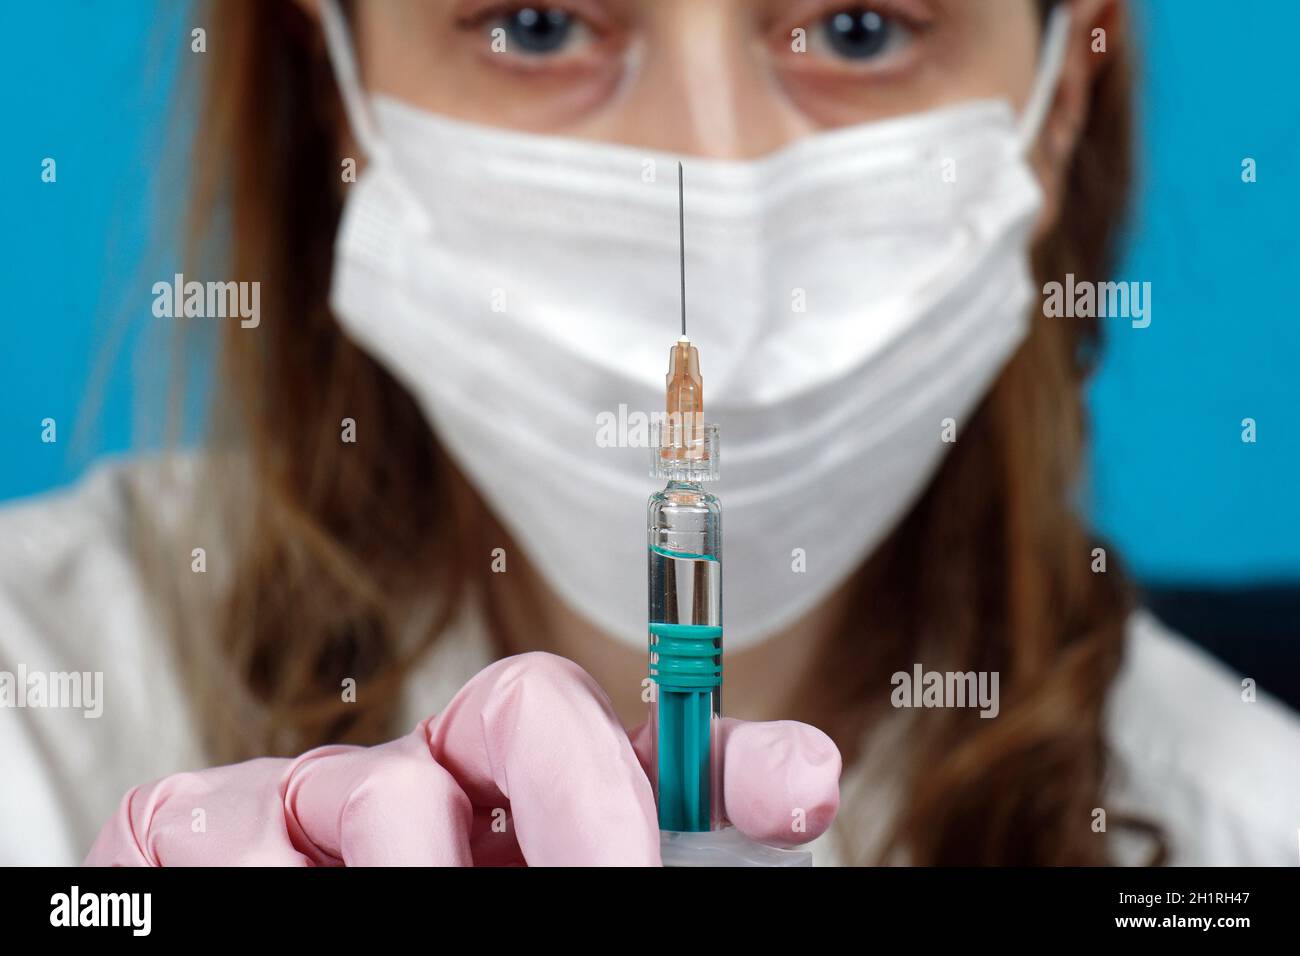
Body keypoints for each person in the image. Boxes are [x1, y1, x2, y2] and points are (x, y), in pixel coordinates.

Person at [2, 0, 1297, 866]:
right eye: (538, 21)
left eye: (857, 27)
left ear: (1062, 93)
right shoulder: (41, 716)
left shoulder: (1249, 832)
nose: (713, 181)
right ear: (336, 87)